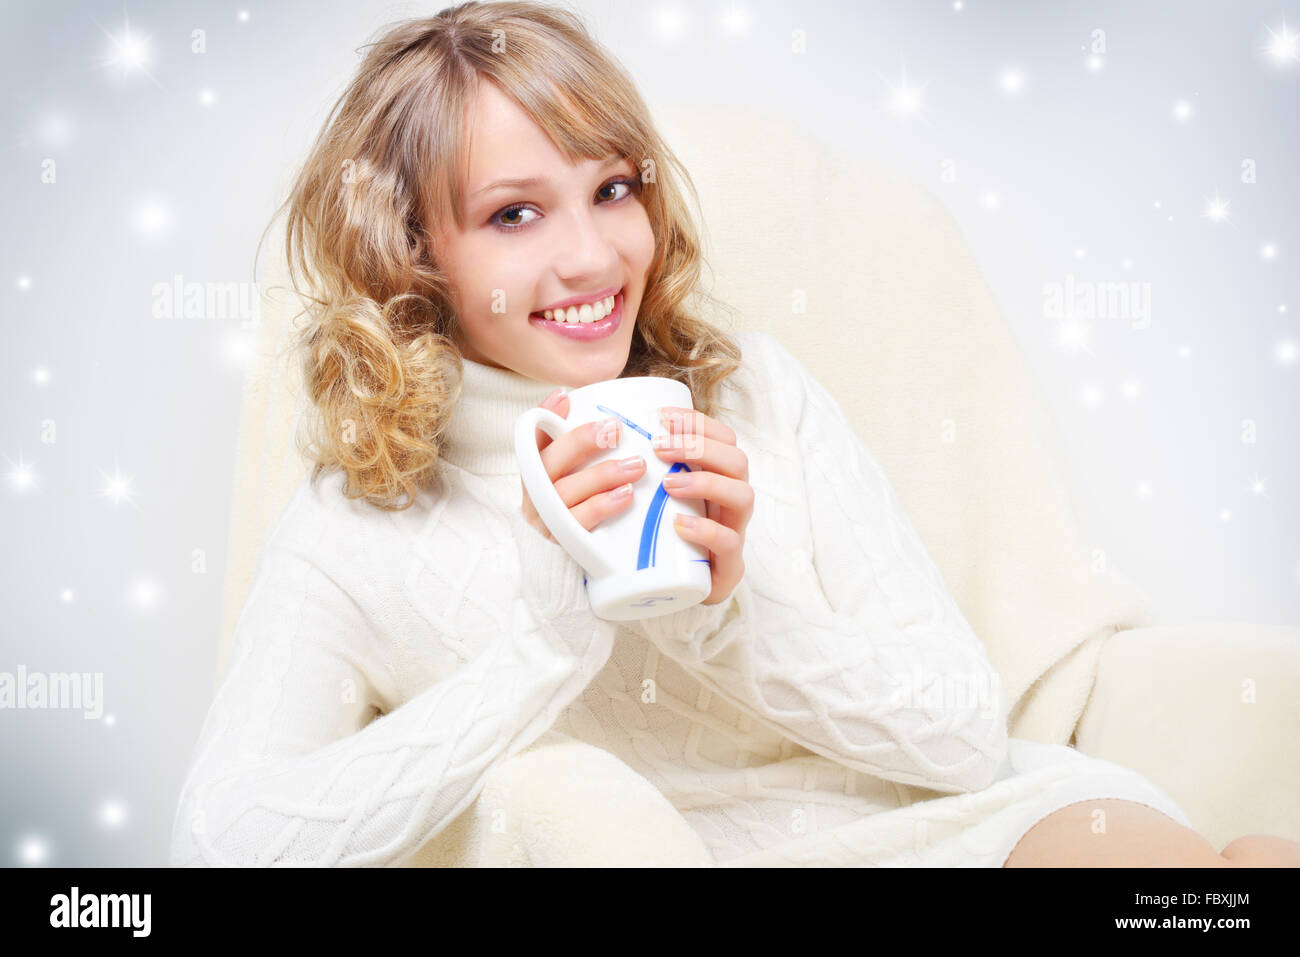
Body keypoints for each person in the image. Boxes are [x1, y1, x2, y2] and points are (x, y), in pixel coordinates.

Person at [169, 0, 1299, 867]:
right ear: (413, 251)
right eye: (514, 214)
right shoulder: (358, 522)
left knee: (1186, 891)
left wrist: (730, 615)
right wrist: (545, 649)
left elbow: (962, 737)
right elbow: (225, 840)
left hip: (955, 829)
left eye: (613, 190)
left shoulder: (752, 393)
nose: (594, 257)